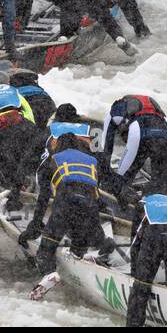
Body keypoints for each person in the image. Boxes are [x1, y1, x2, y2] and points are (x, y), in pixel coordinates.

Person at [18, 122, 115, 285]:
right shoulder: (91, 161)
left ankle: (50, 273)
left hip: (65, 203)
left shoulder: (53, 159)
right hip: (89, 206)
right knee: (83, 237)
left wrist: (35, 225)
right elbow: (95, 194)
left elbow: (43, 197)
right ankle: (101, 245)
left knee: (47, 249)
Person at [100, 94, 167, 196]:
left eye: (124, 139)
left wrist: (104, 174)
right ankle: (154, 197)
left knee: (121, 180)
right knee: (160, 187)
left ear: (123, 130)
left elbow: (106, 147)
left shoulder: (114, 112)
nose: (125, 142)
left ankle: (121, 197)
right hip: (164, 138)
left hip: (138, 133)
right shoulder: (163, 118)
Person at [126, 194, 167, 327]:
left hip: (154, 240)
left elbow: (134, 242)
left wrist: (134, 271)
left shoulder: (144, 205)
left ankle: (134, 323)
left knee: (141, 287)